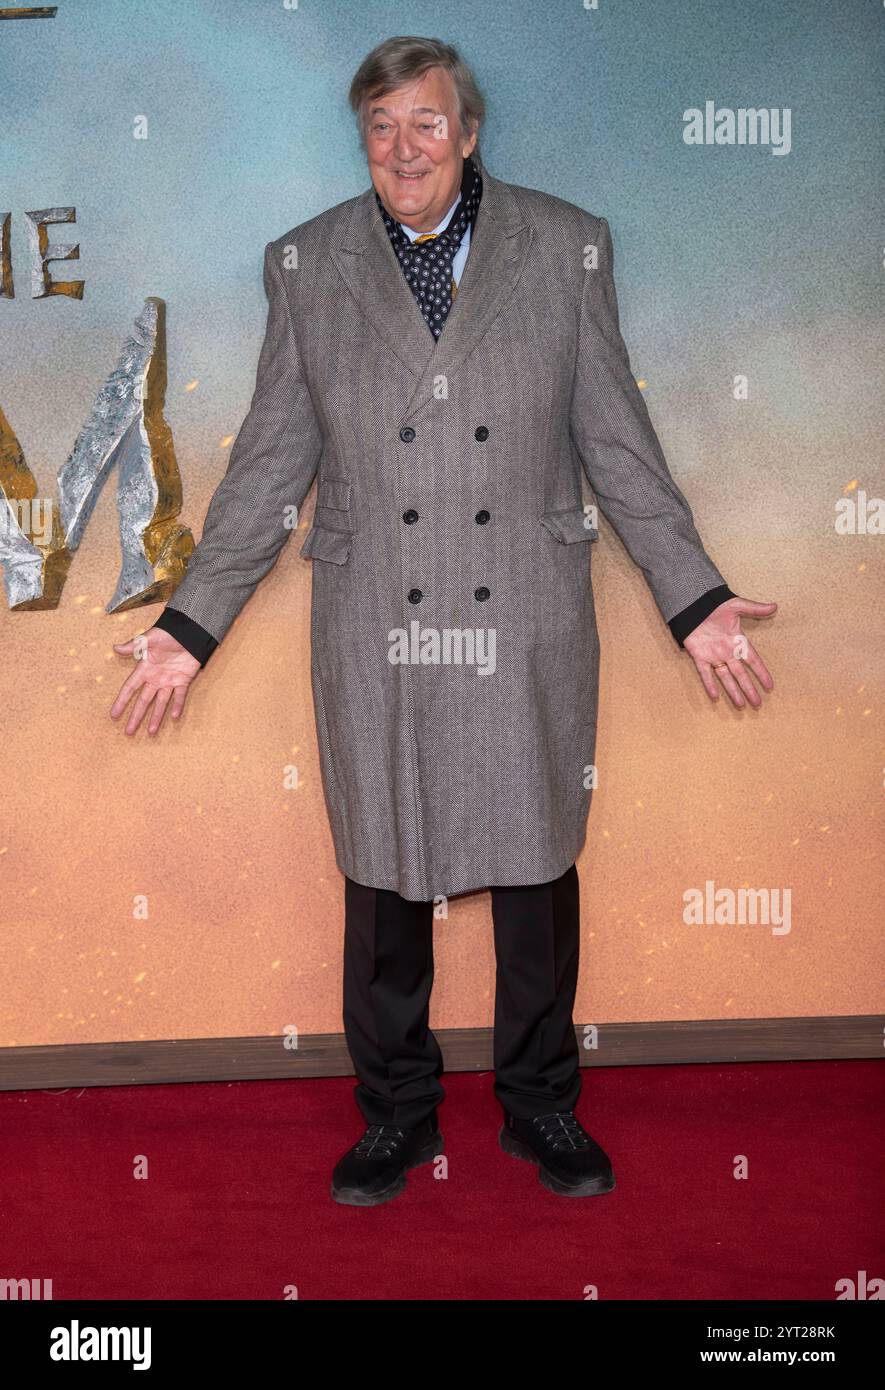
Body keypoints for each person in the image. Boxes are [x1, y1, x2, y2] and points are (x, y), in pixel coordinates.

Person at [111, 37, 777, 1206]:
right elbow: (271, 462)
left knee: (533, 877)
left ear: (469, 133)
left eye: (427, 122)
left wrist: (695, 597)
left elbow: (616, 443)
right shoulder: (305, 265)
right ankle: (398, 1117)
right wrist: (190, 624)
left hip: (520, 606)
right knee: (384, 878)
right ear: (362, 139)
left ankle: (540, 1107)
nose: (404, 148)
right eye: (381, 126)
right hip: (377, 614)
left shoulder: (567, 244)